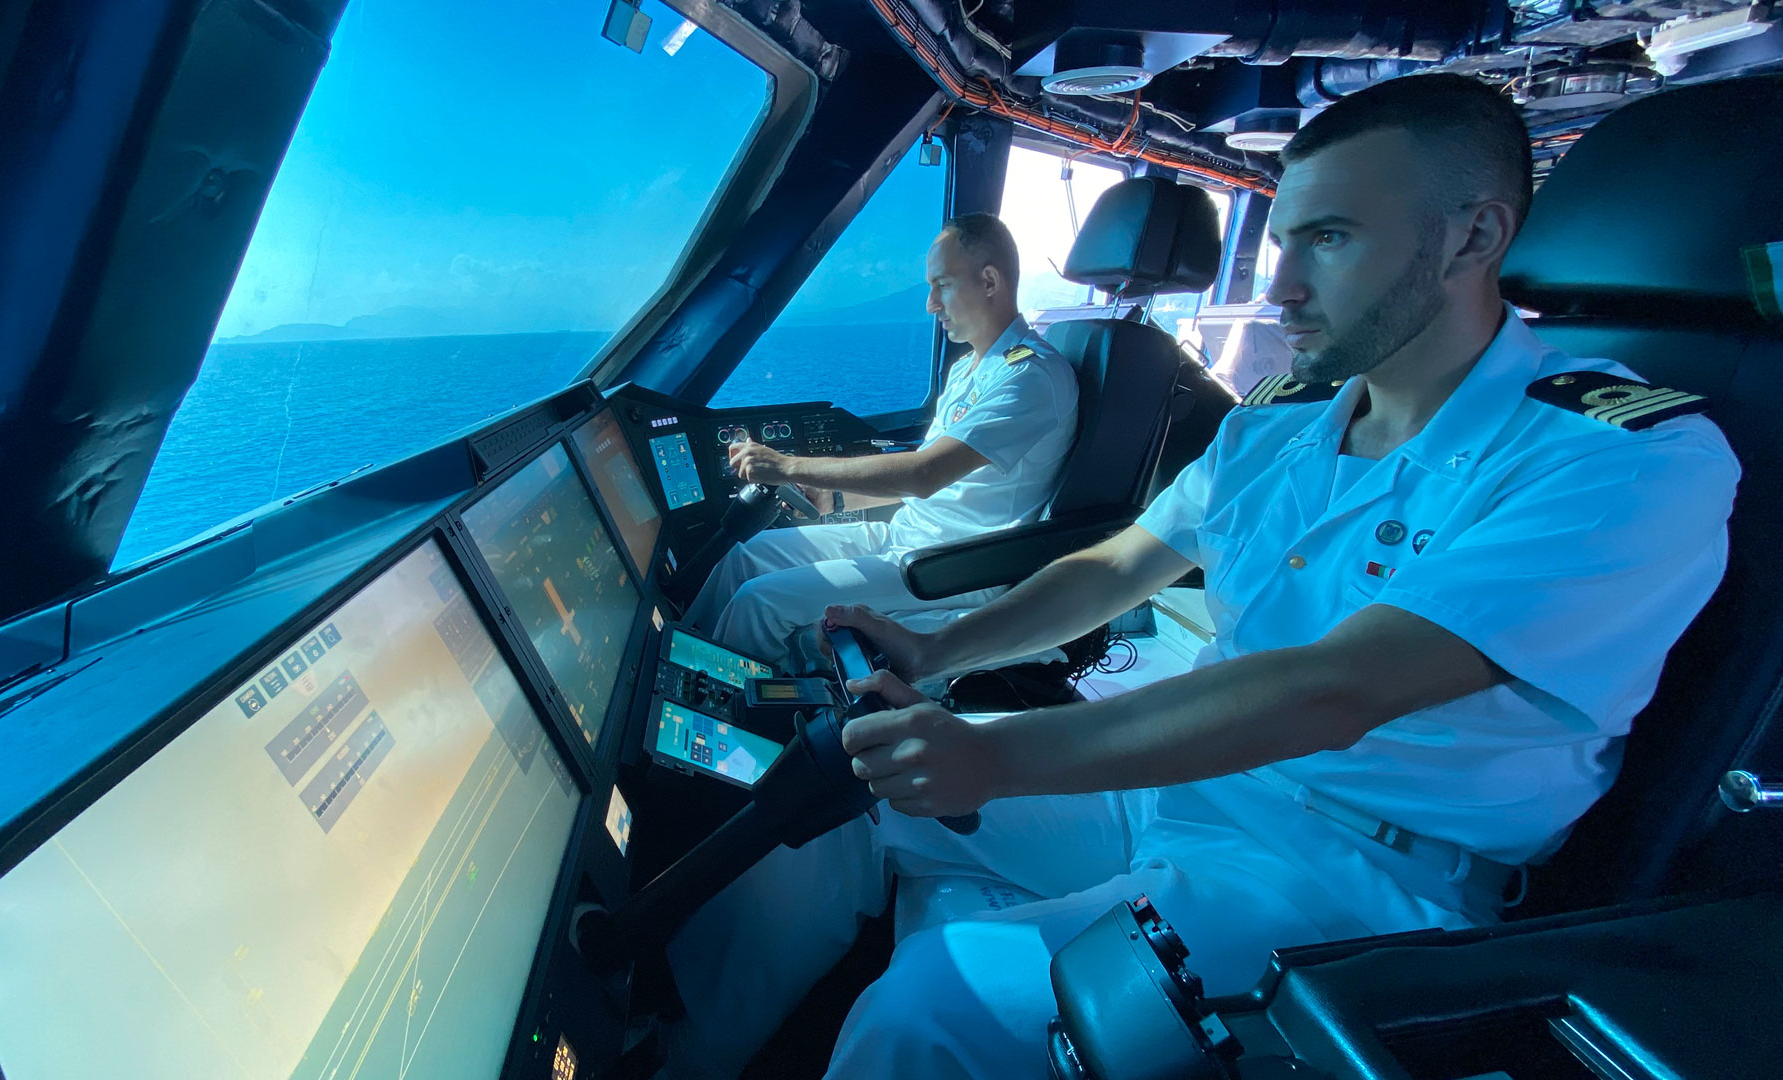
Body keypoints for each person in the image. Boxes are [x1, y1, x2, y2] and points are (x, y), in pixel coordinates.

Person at [660, 74, 1740, 1079]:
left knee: (928, 1003)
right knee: (835, 794)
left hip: (1353, 871)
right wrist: (938, 648)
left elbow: (1336, 689)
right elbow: (1117, 566)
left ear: (1475, 235)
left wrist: (995, 757)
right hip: (1189, 783)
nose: (1281, 288)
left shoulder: (1620, 459)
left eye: (1329, 239)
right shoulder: (1278, 428)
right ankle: (694, 1056)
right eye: (1283, 238)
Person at [681, 214, 1077, 672]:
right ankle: (676, 666)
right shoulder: (969, 369)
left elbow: (925, 473)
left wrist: (786, 465)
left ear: (989, 281)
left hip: (955, 566)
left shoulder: (1031, 377)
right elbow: (926, 477)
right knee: (743, 560)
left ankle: (725, 704)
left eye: (942, 285)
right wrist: (835, 497)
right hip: (908, 536)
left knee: (759, 601)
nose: (930, 304)